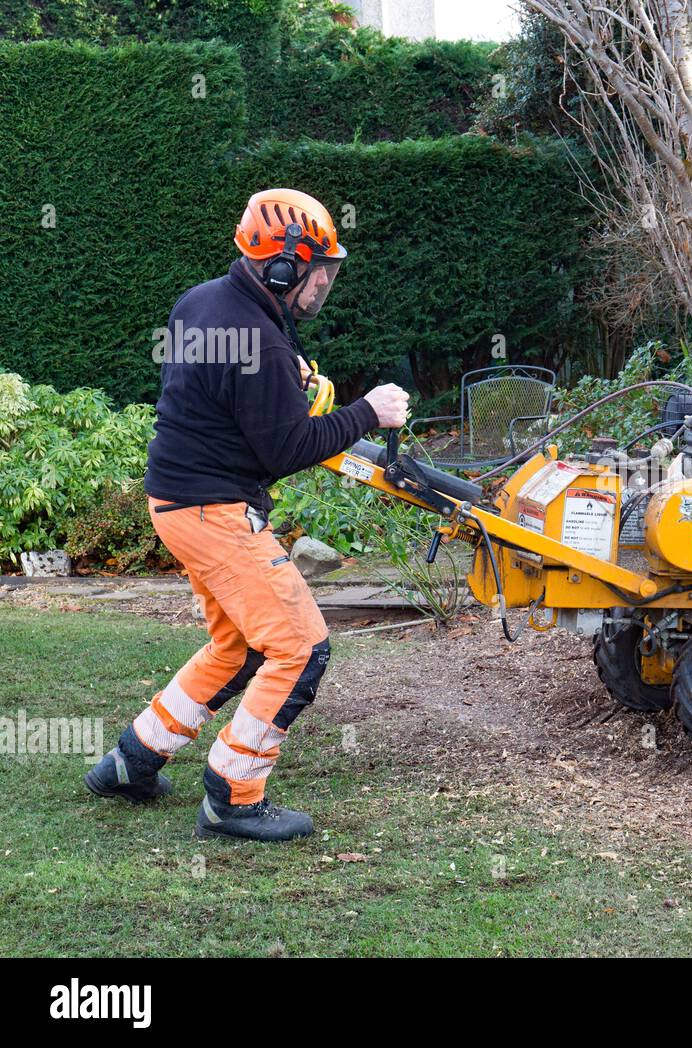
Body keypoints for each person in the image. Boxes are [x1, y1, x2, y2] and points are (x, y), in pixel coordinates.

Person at [85, 189, 409, 842]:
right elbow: (287, 448)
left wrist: (287, 388)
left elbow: (221, 398)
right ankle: (233, 796)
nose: (325, 281)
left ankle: (134, 758)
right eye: (320, 267)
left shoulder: (204, 302)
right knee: (300, 647)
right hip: (214, 511)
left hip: (175, 501)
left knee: (237, 646)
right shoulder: (256, 338)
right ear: (283, 267)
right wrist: (368, 413)